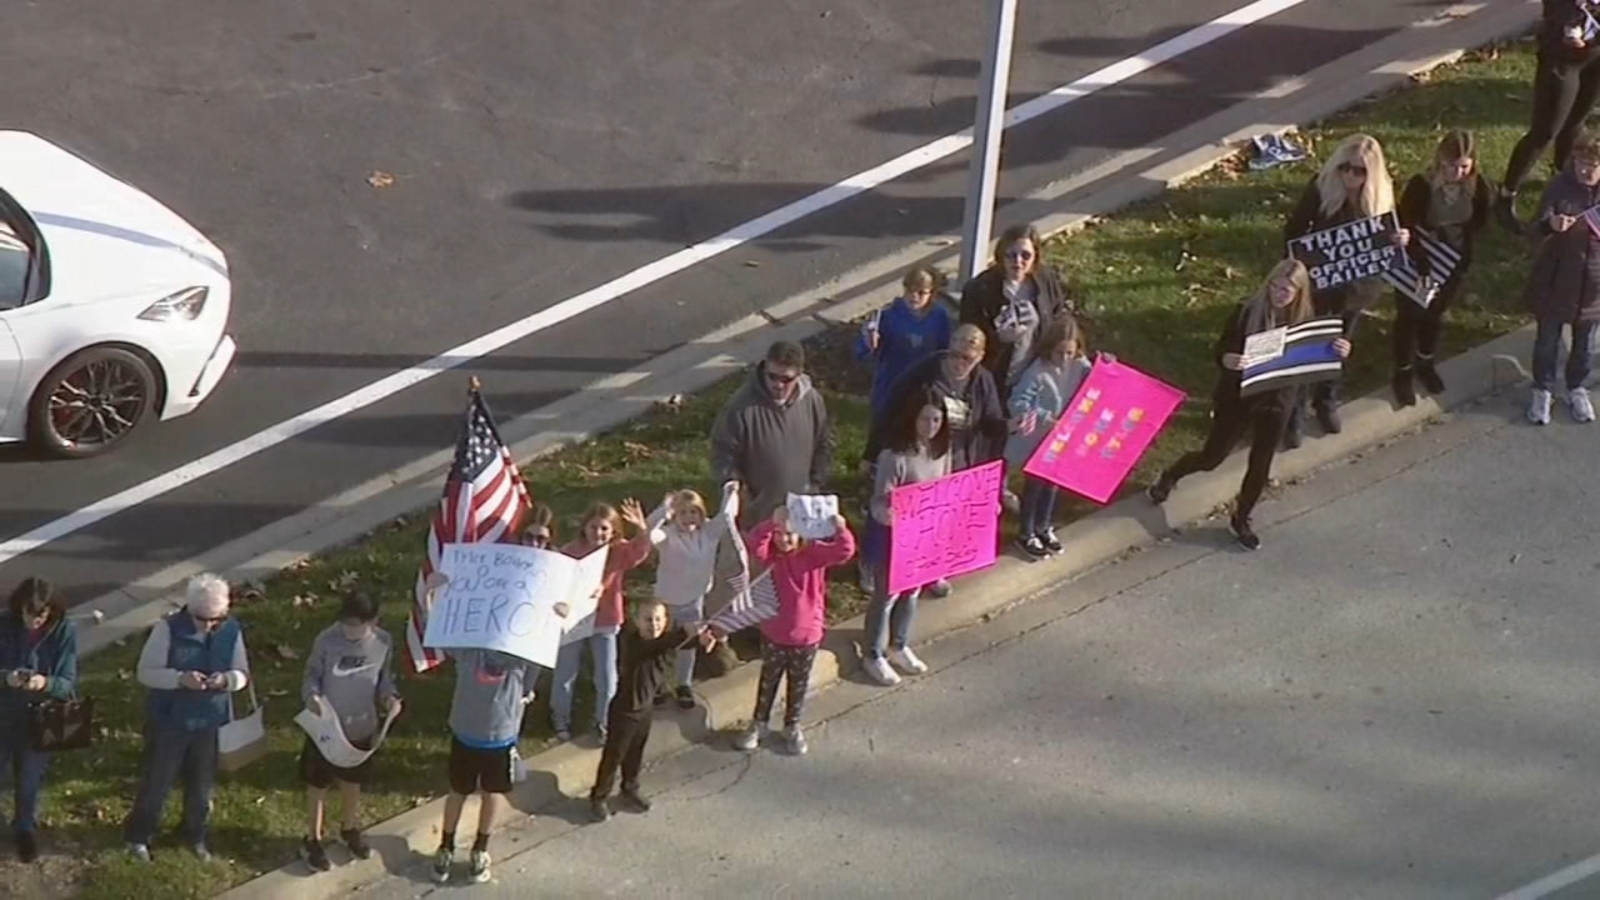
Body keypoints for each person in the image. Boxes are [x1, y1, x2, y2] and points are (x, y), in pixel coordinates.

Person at [1147, 259, 1351, 551]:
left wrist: (1340, 350)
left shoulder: (1309, 320)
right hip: (1240, 396)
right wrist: (1227, 360)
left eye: (1287, 290)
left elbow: (1321, 354)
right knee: (1212, 457)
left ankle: (1242, 518)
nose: (1279, 294)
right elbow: (1222, 348)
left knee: (1261, 463)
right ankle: (1170, 477)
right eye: (1275, 286)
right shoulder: (1247, 312)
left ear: (1299, 292)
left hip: (1278, 400)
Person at [862, 324, 1007, 597]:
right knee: (895, 514)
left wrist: (1010, 426)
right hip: (918, 456)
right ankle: (877, 564)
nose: (959, 363)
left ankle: (932, 569)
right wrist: (872, 453)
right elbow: (889, 409)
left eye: (967, 358)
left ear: (980, 357)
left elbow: (990, 422)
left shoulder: (983, 381)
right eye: (954, 355)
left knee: (942, 520)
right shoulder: (922, 374)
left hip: (957, 459)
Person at [1282, 134, 1409, 443]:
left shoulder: (1382, 197)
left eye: (1360, 170)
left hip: (1357, 288)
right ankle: (1295, 412)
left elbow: (1392, 232)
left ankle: (1326, 400)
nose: (1351, 176)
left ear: (1372, 174)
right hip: (1319, 284)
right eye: (1346, 168)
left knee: (1338, 346)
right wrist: (1295, 271)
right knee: (1307, 344)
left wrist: (1401, 239)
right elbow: (1295, 230)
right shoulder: (1321, 187)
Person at [125, 573, 251, 863]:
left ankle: (194, 833)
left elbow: (242, 673)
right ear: (189, 609)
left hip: (210, 720)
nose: (209, 625)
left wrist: (226, 680)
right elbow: (146, 672)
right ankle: (138, 835)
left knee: (201, 785)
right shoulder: (167, 629)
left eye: (216, 619)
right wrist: (180, 679)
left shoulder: (231, 630)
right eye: (203, 619)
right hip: (170, 721)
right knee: (157, 781)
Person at [730, 508, 857, 756]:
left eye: (789, 534)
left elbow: (845, 551)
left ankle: (792, 726)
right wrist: (771, 522)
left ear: (802, 534)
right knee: (768, 681)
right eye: (778, 534)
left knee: (797, 684)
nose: (783, 539)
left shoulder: (814, 554)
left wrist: (841, 528)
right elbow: (755, 544)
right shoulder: (771, 557)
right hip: (774, 634)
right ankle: (759, 724)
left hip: (806, 635)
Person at [429, 637, 551, 885]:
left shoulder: (520, 654)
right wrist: (432, 605)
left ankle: (480, 848)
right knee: (459, 791)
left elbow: (542, 646)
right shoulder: (470, 648)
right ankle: (446, 846)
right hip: (467, 734)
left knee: (490, 792)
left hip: (498, 738)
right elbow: (442, 635)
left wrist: (554, 616)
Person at [297, 592, 402, 872]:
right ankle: (313, 838)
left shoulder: (383, 642)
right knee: (317, 783)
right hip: (327, 727)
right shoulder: (327, 640)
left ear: (373, 622)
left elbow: (383, 679)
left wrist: (390, 698)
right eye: (346, 624)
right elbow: (311, 675)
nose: (350, 631)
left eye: (357, 626)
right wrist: (311, 697)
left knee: (352, 781)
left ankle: (350, 827)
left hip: (361, 724)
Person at [589, 600, 715, 822]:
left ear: (665, 621)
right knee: (614, 755)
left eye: (658, 619)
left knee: (636, 750)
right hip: (625, 710)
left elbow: (678, 644)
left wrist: (700, 641)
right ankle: (599, 796)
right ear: (637, 621)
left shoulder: (664, 643)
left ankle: (630, 788)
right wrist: (683, 632)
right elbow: (663, 645)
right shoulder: (633, 643)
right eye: (647, 619)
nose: (653, 624)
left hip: (645, 708)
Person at [1392, 130, 1493, 406]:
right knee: (1409, 315)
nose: (1456, 172)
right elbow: (1406, 223)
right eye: (1450, 165)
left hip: (1453, 259)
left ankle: (1425, 362)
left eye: (1463, 166)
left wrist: (1457, 238)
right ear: (1440, 161)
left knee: (1435, 313)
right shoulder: (1421, 185)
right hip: (1419, 257)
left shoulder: (1478, 186)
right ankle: (1402, 372)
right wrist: (1420, 253)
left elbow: (1482, 219)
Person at [862, 388, 950, 686]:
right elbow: (878, 500)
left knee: (911, 591)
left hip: (923, 537)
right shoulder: (894, 457)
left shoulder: (941, 453)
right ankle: (873, 653)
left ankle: (898, 644)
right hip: (894, 536)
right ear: (912, 419)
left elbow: (946, 488)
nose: (931, 426)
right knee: (886, 594)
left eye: (937, 419)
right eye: (925, 419)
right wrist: (886, 515)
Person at [551, 500, 653, 742]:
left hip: (605, 622)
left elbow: (640, 551)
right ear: (584, 527)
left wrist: (642, 527)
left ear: (614, 530)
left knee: (607, 676)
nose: (599, 533)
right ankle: (560, 718)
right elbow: (556, 582)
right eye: (594, 527)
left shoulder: (618, 551)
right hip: (573, 623)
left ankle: (604, 721)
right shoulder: (570, 552)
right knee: (566, 672)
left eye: (605, 528)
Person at [710, 340, 832, 530]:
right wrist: (740, 493)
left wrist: (816, 482)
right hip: (758, 516)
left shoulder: (812, 400)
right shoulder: (740, 407)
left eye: (786, 379)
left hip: (801, 511)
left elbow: (822, 443)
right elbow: (722, 454)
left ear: (799, 375)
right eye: (772, 376)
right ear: (765, 367)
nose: (778, 384)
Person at [1523, 128, 1600, 425]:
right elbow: (1535, 229)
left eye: (1592, 165)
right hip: (1555, 280)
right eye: (1580, 161)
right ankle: (1542, 389)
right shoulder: (1558, 187)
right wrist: (1550, 224)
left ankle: (1576, 387)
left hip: (1594, 286)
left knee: (1586, 344)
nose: (1585, 169)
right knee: (1547, 341)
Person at [1498, 1, 1600, 225]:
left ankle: (1563, 180)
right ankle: (1506, 194)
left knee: (1575, 124)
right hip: (1562, 56)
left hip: (1594, 54)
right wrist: (1567, 27)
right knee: (1546, 130)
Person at [1004, 317, 1096, 559]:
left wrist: (1106, 365)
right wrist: (1044, 417)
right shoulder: (1038, 371)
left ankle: (1044, 527)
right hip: (1037, 438)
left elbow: (1096, 378)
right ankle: (1026, 532)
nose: (1065, 358)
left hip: (1061, 438)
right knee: (1034, 487)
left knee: (1053, 484)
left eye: (1070, 353)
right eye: (1060, 353)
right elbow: (1017, 402)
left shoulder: (1080, 365)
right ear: (1049, 348)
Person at [0, 578, 77, 863]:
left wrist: (45, 683)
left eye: (41, 615)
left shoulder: (64, 631)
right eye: (28, 614)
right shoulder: (4, 625)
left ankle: (24, 828)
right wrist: (6, 678)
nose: (34, 621)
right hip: (4, 712)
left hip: (40, 717)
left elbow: (67, 682)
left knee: (29, 780)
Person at [647, 481, 739, 709]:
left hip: (693, 601)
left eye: (694, 512)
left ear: (701, 514)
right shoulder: (667, 536)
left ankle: (683, 685)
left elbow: (727, 517)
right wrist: (664, 509)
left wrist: (730, 493)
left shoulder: (708, 533)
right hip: (666, 602)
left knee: (688, 645)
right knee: (661, 644)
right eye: (682, 512)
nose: (688, 517)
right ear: (674, 516)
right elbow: (649, 532)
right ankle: (657, 684)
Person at [958, 223, 1074, 400]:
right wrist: (999, 339)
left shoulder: (1045, 281)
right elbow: (967, 338)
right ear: (1001, 255)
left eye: (1025, 255)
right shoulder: (979, 289)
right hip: (995, 377)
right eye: (1011, 255)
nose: (1018, 262)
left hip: (1034, 374)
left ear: (1035, 257)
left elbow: (1060, 318)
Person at [855, 267, 954, 418]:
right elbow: (862, 352)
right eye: (909, 290)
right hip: (891, 384)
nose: (913, 296)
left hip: (923, 385)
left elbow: (944, 350)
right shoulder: (888, 315)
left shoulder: (939, 317)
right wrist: (868, 343)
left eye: (921, 292)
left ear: (932, 293)